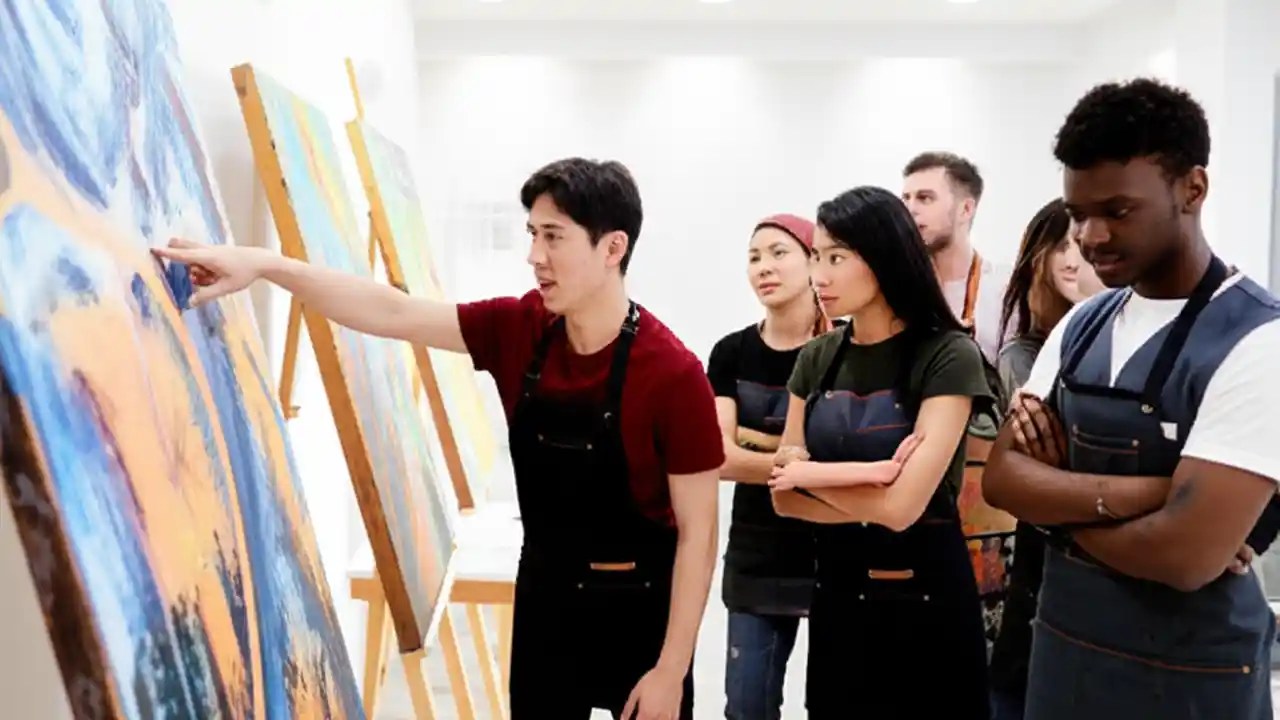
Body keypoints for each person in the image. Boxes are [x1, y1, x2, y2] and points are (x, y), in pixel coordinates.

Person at [153, 157, 723, 720]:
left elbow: (699, 536)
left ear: (613, 248)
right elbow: (392, 312)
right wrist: (266, 265)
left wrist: (671, 671)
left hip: (639, 611)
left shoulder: (673, 375)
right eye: (532, 234)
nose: (534, 256)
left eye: (553, 236)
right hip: (547, 603)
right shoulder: (520, 328)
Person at [983, 78, 1280, 719]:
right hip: (1064, 652)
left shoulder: (1260, 342)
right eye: (1077, 214)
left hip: (1191, 677)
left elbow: (1185, 557)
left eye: (1117, 211)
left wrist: (1053, 507)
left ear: (1192, 189)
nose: (1090, 236)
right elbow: (1002, 479)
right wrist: (1158, 494)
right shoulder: (1082, 324)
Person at [766, 186, 994, 719]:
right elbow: (782, 498)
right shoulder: (817, 357)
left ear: (884, 256)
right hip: (838, 594)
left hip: (930, 600)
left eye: (837, 258)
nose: (819, 276)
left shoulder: (949, 355)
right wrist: (874, 474)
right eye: (816, 257)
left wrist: (810, 475)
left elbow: (903, 509)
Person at [985, 198, 1102, 720]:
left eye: (1082, 245)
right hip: (1037, 561)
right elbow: (1031, 467)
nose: (1075, 258)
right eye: (1062, 246)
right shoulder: (1026, 356)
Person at [706, 213, 826, 720]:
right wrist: (800, 461)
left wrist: (754, 443)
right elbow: (718, 457)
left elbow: (848, 454)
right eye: (754, 257)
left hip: (835, 552)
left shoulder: (844, 348)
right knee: (747, 707)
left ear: (813, 261)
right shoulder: (731, 353)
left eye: (779, 253)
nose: (764, 267)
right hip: (757, 555)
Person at [902, 151, 1009, 363]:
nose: (910, 209)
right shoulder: (894, 287)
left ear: (966, 209)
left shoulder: (1004, 290)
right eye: (906, 198)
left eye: (925, 198)